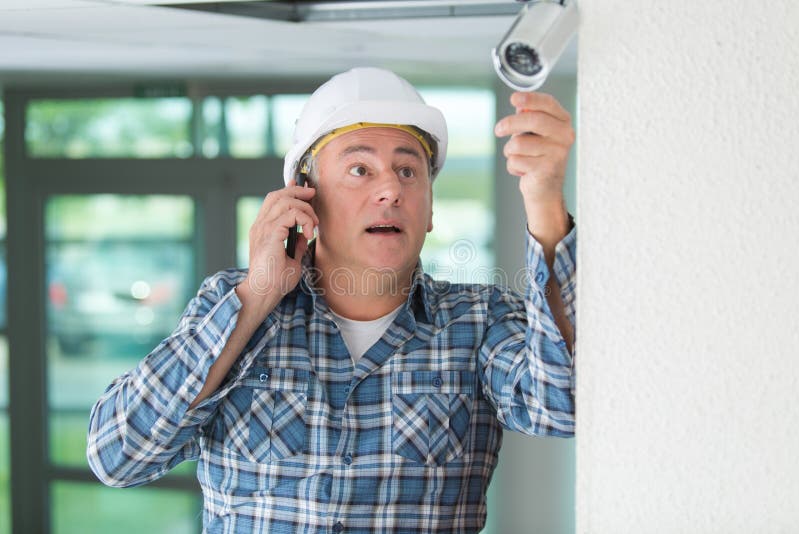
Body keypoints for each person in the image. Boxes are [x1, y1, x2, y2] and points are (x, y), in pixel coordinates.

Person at [87, 67, 576, 533]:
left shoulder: (481, 321)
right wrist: (256, 297)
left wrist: (545, 201)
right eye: (360, 169)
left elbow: (562, 405)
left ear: (430, 210)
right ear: (304, 197)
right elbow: (119, 455)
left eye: (408, 171)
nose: (390, 189)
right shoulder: (231, 307)